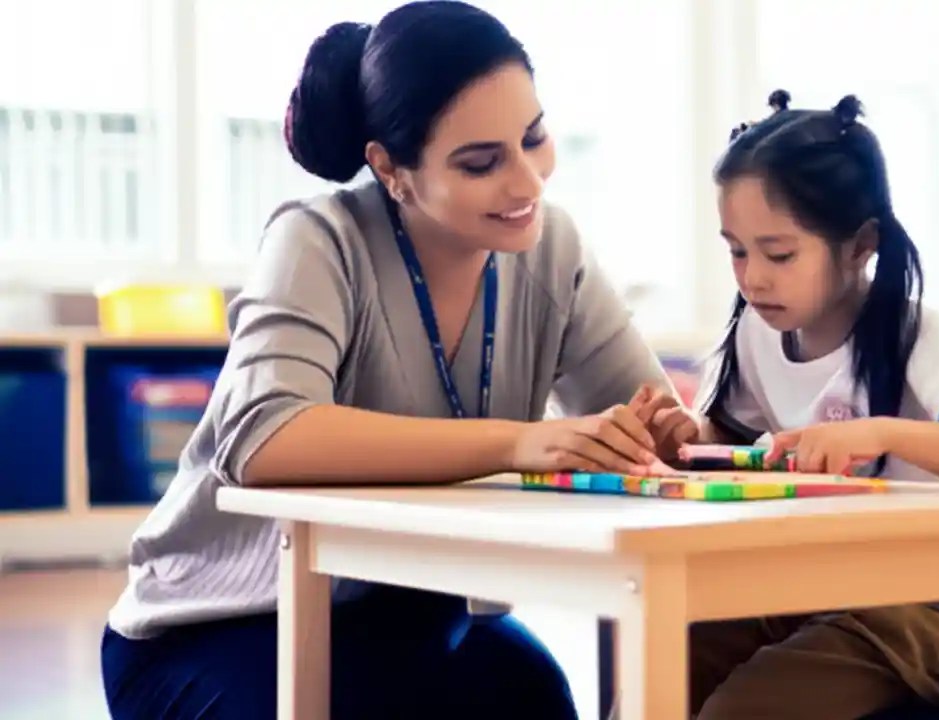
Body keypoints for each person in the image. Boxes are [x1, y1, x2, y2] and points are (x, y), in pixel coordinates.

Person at [99, 2, 697, 718]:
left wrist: (660, 435)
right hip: (220, 622)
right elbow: (263, 438)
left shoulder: (554, 247)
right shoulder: (317, 240)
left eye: (534, 138)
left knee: (536, 701)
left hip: (420, 619)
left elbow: (650, 423)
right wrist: (519, 442)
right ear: (391, 169)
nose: (528, 182)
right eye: (481, 162)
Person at [688, 90, 939, 719]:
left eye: (779, 253)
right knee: (663, 659)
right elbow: (729, 442)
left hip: (930, 618)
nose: (752, 277)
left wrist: (882, 433)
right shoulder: (755, 332)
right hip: (809, 595)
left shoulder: (909, 331)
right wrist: (678, 438)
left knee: (740, 711)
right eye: (736, 250)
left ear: (859, 245)